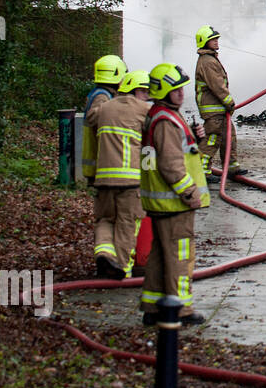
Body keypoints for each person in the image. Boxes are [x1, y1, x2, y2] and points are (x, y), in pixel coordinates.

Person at [139, 63, 209, 326]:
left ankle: (153, 305)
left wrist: (197, 140)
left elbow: (181, 154)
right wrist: (189, 192)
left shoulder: (161, 115)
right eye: (176, 89)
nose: (181, 93)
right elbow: (170, 165)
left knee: (160, 253)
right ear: (164, 92)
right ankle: (180, 309)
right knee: (180, 256)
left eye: (181, 88)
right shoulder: (166, 121)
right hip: (174, 204)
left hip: (161, 202)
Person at [90, 70, 152, 279]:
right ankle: (123, 269)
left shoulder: (104, 108)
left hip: (103, 179)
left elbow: (90, 120)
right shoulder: (143, 110)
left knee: (105, 220)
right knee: (127, 223)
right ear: (136, 90)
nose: (148, 97)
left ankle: (104, 253)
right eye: (145, 92)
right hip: (130, 180)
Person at [194, 24, 247, 181]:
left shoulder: (210, 59)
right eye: (213, 39)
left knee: (228, 138)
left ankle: (232, 168)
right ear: (204, 42)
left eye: (217, 39)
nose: (217, 42)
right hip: (214, 110)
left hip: (219, 109)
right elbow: (217, 86)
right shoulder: (207, 62)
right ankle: (202, 172)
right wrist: (229, 102)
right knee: (211, 139)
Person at [82, 54, 126, 184]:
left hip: (97, 164)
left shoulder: (100, 93)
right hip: (98, 165)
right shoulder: (102, 97)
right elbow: (94, 118)